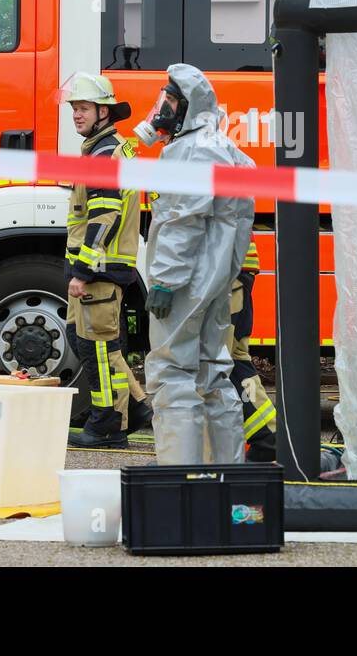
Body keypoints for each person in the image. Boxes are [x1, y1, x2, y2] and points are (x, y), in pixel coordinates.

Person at [139, 64, 254, 465]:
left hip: (186, 282)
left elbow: (180, 221)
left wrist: (165, 281)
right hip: (217, 280)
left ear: (187, 107)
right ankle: (226, 474)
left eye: (170, 100)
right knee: (213, 374)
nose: (162, 109)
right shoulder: (225, 148)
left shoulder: (189, 150)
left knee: (172, 376)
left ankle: (178, 477)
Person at [58, 72, 151, 448]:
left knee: (97, 348)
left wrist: (83, 270)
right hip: (100, 270)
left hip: (99, 272)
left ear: (103, 112)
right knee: (90, 343)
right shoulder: (103, 150)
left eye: (83, 108)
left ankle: (106, 425)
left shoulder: (103, 154)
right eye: (74, 109)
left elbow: (103, 217)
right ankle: (139, 407)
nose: (76, 115)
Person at [227, 241, 277, 462]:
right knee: (235, 358)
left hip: (223, 272)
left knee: (213, 360)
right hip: (234, 269)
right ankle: (269, 436)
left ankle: (270, 438)